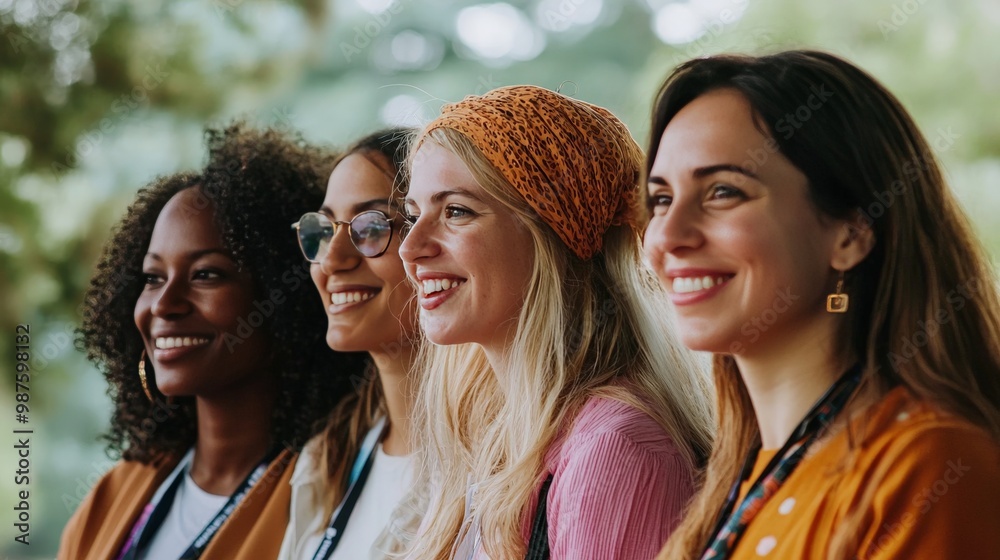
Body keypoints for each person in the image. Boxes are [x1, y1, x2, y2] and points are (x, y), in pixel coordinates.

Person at [642, 50, 1000, 559]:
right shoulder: (745, 477)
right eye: (660, 199)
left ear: (852, 232)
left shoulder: (926, 467)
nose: (668, 236)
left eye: (723, 191)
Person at [398, 85, 715, 560]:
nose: (410, 248)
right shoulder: (494, 432)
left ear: (552, 236)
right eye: (413, 216)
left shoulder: (616, 449)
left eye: (456, 212)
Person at [60, 122, 366, 560]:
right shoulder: (117, 493)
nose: (164, 304)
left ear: (284, 298)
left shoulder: (329, 491)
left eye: (207, 274)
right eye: (152, 277)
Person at [280, 128, 420, 559]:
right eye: (322, 230)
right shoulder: (326, 460)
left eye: (372, 226)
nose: (332, 259)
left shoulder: (502, 466)